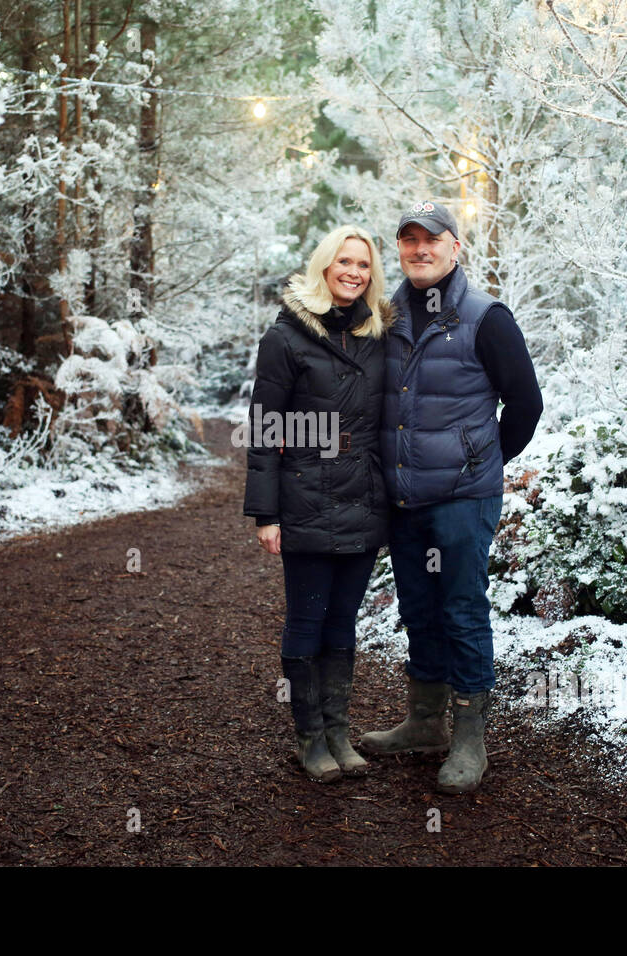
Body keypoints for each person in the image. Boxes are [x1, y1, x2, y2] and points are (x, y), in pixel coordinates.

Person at [359, 200, 543, 794]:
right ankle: (423, 723)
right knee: (417, 607)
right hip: (406, 498)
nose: (419, 250)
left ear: (455, 247)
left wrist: (479, 462)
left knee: (462, 609)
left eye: (431, 240)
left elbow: (526, 405)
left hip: (463, 499)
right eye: (408, 240)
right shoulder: (387, 316)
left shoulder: (487, 318)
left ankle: (470, 738)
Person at [243, 224, 394, 783]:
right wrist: (266, 512)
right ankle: (309, 739)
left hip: (364, 496)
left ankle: (338, 732)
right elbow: (265, 427)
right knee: (307, 619)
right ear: (324, 266)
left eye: (364, 264)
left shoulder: (379, 333)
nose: (354, 272)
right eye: (344, 262)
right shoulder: (285, 337)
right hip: (305, 494)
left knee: (343, 621)